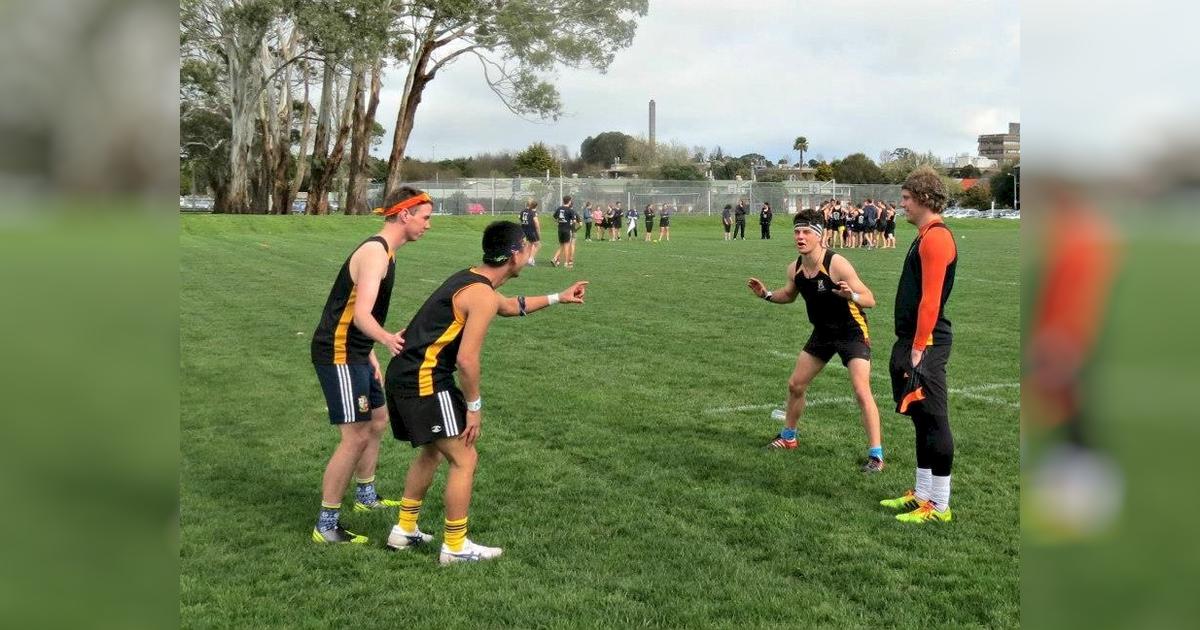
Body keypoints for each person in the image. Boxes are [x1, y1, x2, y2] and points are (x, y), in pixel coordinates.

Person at [384, 221, 588, 563]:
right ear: (513, 255)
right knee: (465, 457)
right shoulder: (479, 294)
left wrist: (558, 297)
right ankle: (455, 546)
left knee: (432, 452)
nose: (530, 253)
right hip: (424, 379)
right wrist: (474, 407)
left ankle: (404, 530)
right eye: (528, 247)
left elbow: (506, 306)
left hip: (406, 374)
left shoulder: (473, 279)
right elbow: (466, 359)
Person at [310, 186, 434, 544]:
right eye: (425, 217)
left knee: (377, 420)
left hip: (356, 350)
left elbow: (354, 313)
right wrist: (386, 339)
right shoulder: (375, 253)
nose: (428, 225)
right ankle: (326, 524)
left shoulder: (388, 253)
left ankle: (365, 498)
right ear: (405, 215)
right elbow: (362, 314)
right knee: (355, 435)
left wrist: (370, 354)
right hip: (337, 352)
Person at [746, 209, 885, 472]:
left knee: (860, 389)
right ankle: (788, 437)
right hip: (822, 333)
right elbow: (788, 295)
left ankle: (876, 455)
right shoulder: (795, 268)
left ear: (820, 237)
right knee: (795, 385)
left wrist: (851, 295)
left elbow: (870, 299)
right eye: (797, 232)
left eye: (806, 232)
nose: (800, 237)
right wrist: (765, 294)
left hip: (851, 332)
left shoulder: (836, 264)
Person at [880, 167, 959, 523]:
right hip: (913, 338)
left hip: (926, 340)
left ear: (925, 198)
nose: (903, 204)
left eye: (908, 198)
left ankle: (939, 505)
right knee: (920, 418)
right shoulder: (924, 235)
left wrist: (919, 344)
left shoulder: (937, 238)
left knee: (934, 417)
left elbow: (930, 299)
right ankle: (922, 494)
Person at [550, 195, 578, 268]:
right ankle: (566, 263)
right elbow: (574, 221)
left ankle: (554, 258)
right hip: (567, 230)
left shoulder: (559, 208)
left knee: (562, 245)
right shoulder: (570, 210)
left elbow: (554, 217)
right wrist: (572, 223)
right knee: (566, 245)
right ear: (569, 201)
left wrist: (558, 222)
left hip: (560, 229)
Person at [518, 199, 541, 266]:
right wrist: (538, 231)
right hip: (531, 230)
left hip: (524, 230)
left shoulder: (523, 211)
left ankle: (526, 259)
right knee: (537, 245)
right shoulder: (532, 212)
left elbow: (519, 217)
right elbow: (536, 222)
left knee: (530, 244)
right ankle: (530, 259)